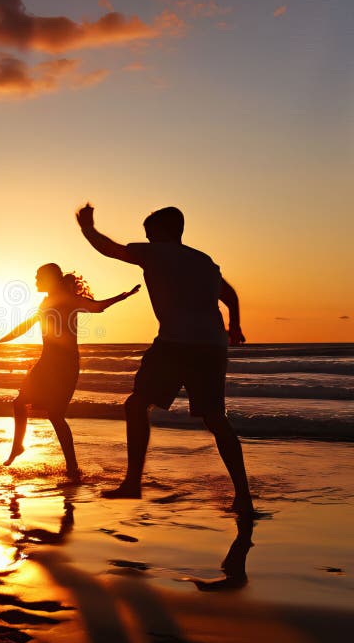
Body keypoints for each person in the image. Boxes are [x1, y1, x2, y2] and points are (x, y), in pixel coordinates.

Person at [76, 203, 253, 514]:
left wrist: (87, 228)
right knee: (215, 418)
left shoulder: (154, 252)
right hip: (212, 346)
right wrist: (234, 326)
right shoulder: (204, 261)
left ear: (163, 231)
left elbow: (109, 249)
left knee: (136, 405)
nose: (146, 237)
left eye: (149, 231)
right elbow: (230, 296)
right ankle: (243, 496)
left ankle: (133, 483)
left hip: (174, 343)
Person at [0, 264, 139, 480]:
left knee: (55, 415)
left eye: (39, 277)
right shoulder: (46, 302)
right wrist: (1, 341)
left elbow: (96, 307)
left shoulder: (68, 299)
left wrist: (122, 296)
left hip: (64, 366)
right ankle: (18, 447)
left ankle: (72, 466)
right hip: (45, 363)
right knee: (19, 403)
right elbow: (26, 325)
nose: (35, 280)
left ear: (50, 279)